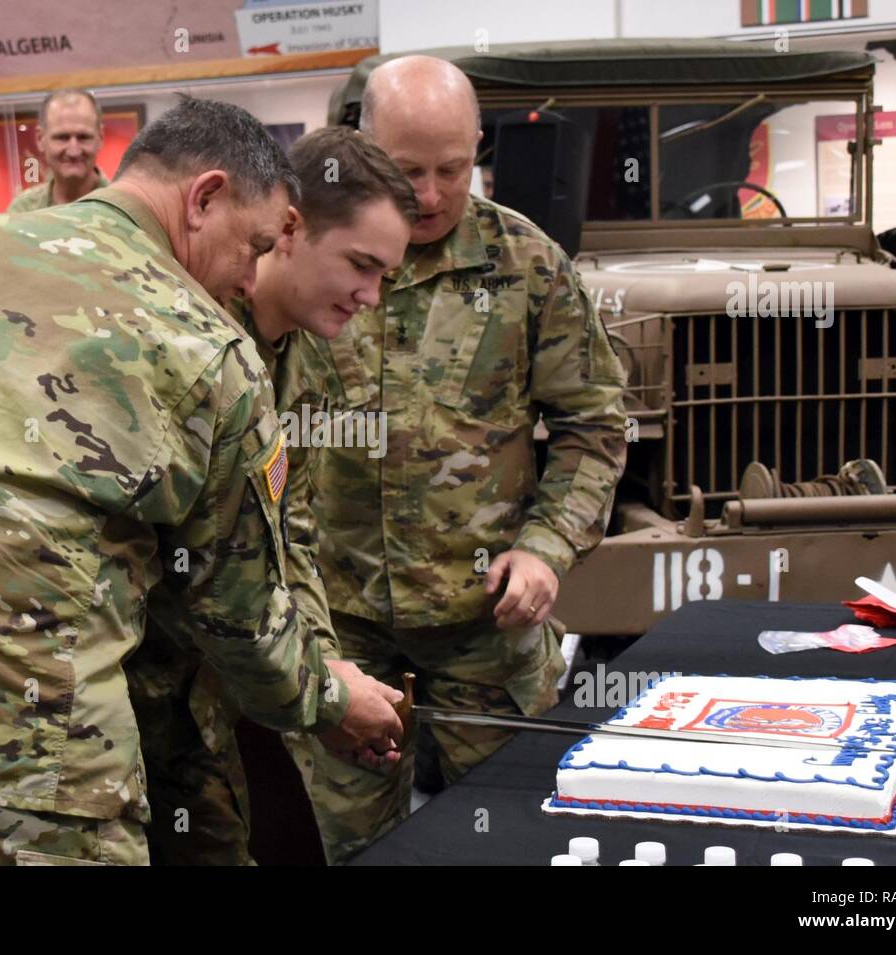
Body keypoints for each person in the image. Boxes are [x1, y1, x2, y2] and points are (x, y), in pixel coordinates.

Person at [0, 95, 402, 866]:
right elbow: (237, 613)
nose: (249, 278)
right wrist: (326, 697)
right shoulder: (203, 346)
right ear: (205, 196)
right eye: (252, 246)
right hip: (11, 748)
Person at [289, 55, 630, 863]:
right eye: (408, 171)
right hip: (344, 628)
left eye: (453, 167)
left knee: (511, 843)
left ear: (480, 144)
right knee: (358, 847)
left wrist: (547, 549)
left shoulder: (528, 264)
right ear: (361, 146)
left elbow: (592, 427)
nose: (433, 195)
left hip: (488, 628)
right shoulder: (310, 255)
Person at [129, 125, 418, 864]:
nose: (371, 295)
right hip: (138, 699)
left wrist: (327, 672)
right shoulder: (194, 346)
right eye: (360, 264)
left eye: (386, 273)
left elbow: (289, 542)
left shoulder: (306, 363)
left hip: (222, 696)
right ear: (287, 232)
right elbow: (219, 581)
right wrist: (324, 694)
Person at [7, 88, 108, 212]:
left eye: (83, 137)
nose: (73, 151)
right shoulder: (24, 210)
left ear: (101, 138)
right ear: (40, 139)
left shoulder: (125, 208)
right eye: (62, 138)